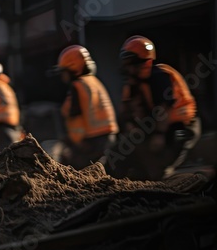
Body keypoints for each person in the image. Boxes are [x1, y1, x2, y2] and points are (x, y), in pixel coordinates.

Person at [113, 35, 200, 180]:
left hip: (180, 127)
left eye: (130, 62)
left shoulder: (160, 76)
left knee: (161, 166)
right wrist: (130, 129)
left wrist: (159, 135)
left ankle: (174, 184)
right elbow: (126, 114)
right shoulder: (134, 84)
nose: (126, 68)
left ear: (142, 62)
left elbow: (164, 108)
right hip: (158, 127)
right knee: (133, 157)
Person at [47, 45, 118, 168]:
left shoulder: (78, 86)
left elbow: (76, 118)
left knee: (74, 169)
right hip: (107, 136)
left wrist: (73, 142)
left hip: (91, 140)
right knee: (97, 170)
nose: (62, 76)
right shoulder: (92, 81)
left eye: (64, 71)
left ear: (73, 69)